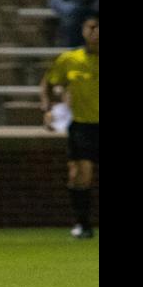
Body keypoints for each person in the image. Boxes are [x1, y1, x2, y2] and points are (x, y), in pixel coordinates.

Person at [40, 13, 98, 238]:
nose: (96, 33)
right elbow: (48, 83)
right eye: (91, 28)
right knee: (80, 174)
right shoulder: (69, 59)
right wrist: (47, 110)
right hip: (82, 125)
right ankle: (82, 224)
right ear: (83, 31)